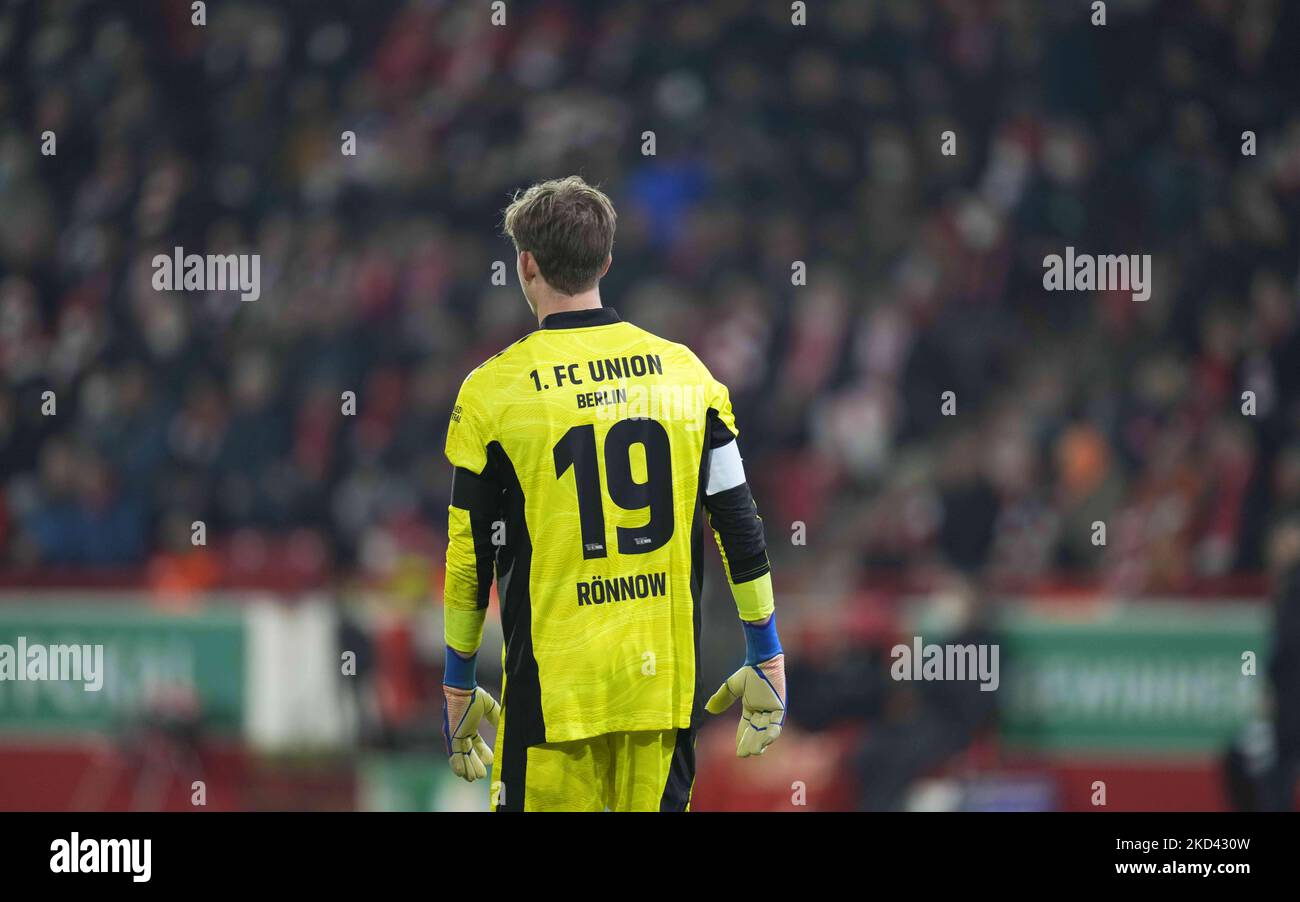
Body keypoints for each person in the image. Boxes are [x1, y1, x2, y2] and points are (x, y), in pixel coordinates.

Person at [437, 176, 785, 811]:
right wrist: (766, 649)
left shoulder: (492, 393)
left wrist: (459, 678)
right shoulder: (688, 375)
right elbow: (740, 523)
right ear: (607, 261)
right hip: (661, 690)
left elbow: (468, 558)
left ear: (526, 264)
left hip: (554, 699)